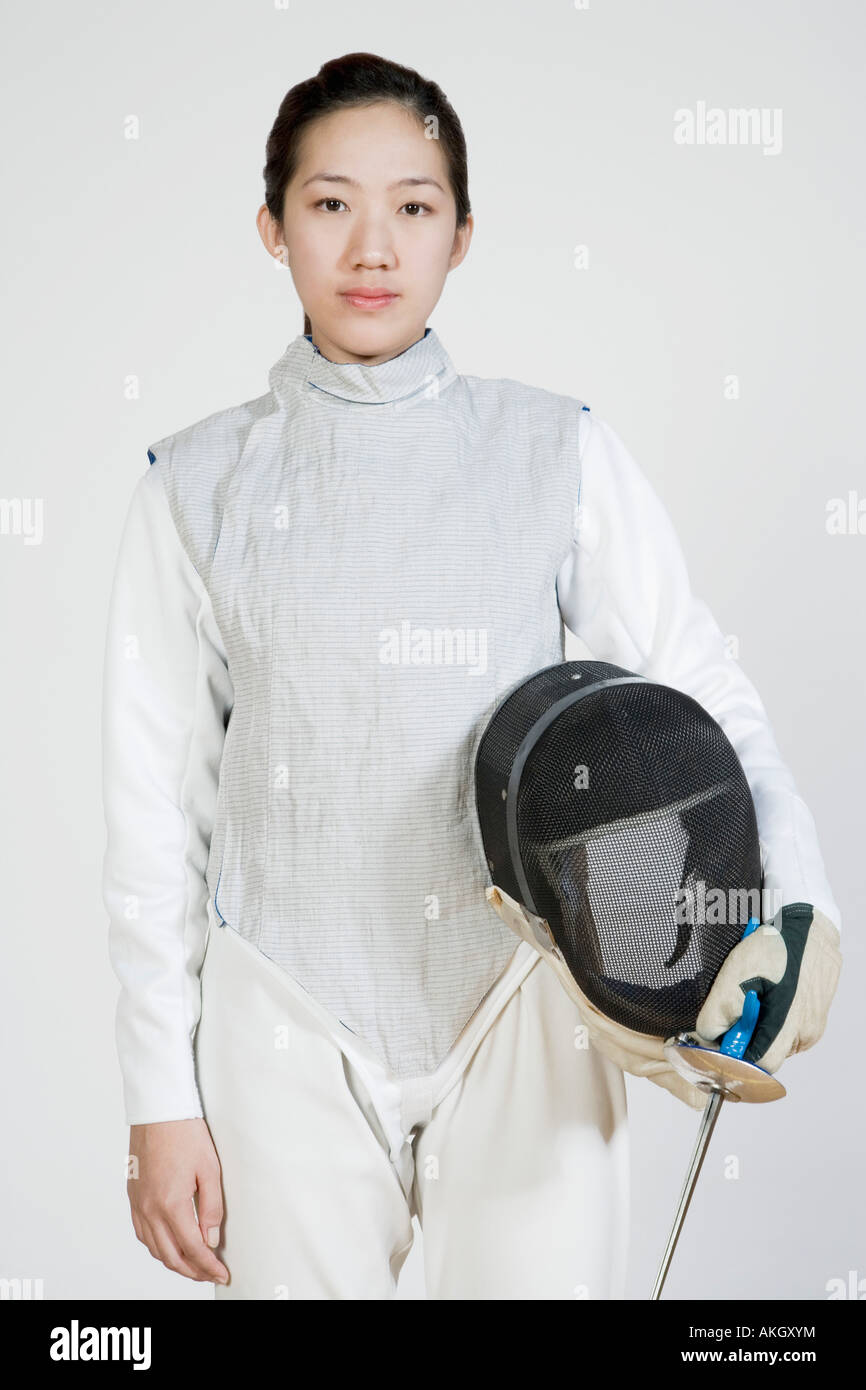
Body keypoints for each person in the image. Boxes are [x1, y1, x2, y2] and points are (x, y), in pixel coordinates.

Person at [101, 51, 842, 1301]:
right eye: (331, 203)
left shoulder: (555, 447)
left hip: (521, 998)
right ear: (272, 226)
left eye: (413, 205)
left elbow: (696, 691)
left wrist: (793, 906)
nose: (372, 245)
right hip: (285, 1008)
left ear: (461, 232)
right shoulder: (196, 483)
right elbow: (151, 815)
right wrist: (158, 1100)